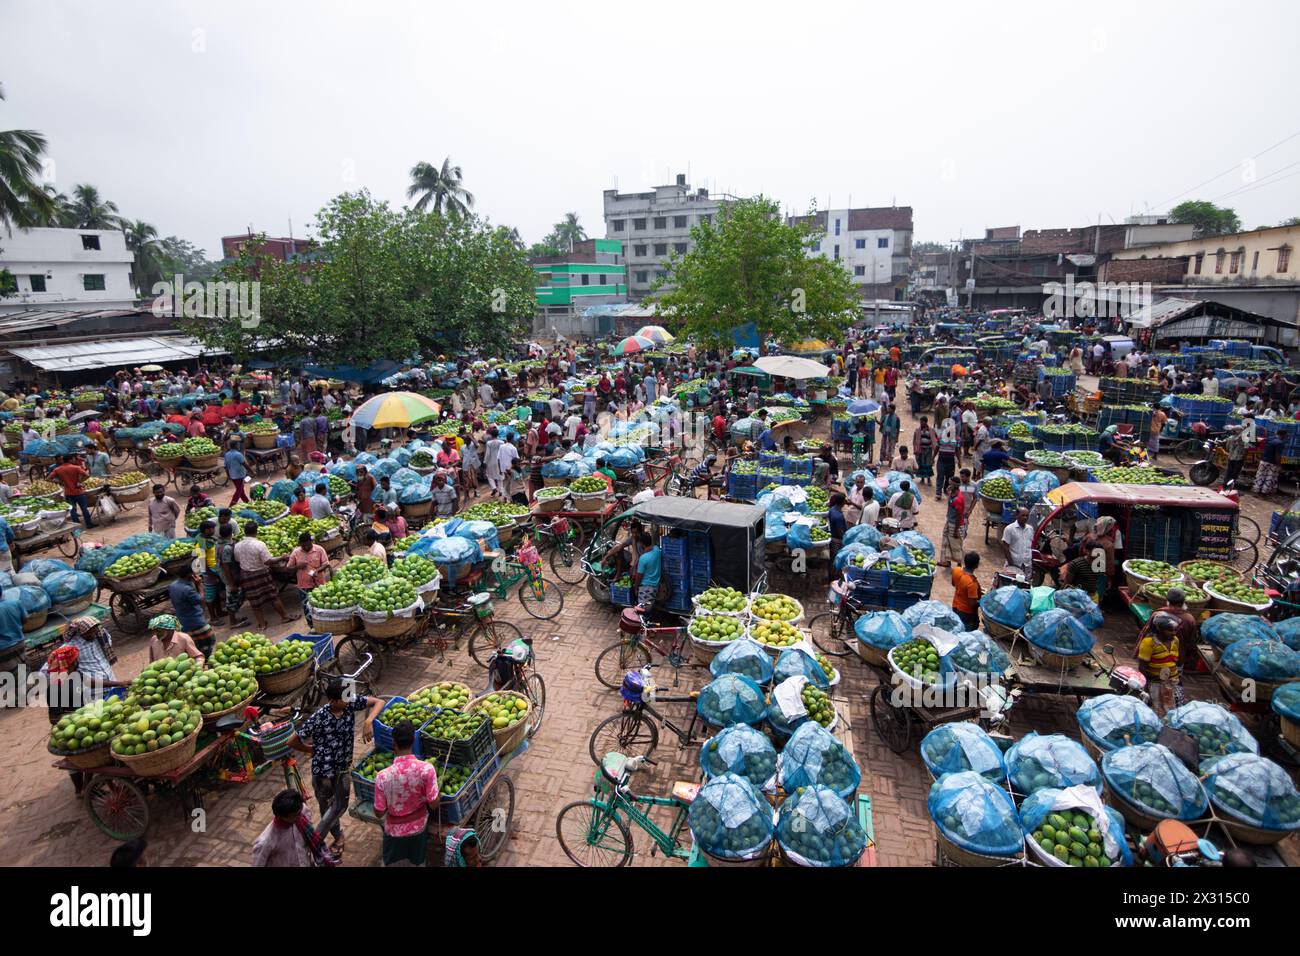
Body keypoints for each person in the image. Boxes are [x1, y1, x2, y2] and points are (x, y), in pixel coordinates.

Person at [290, 678, 386, 856]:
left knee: (339, 806)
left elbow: (379, 701)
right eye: (345, 699)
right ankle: (333, 837)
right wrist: (310, 749)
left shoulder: (349, 704)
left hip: (342, 768)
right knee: (327, 807)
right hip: (323, 774)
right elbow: (292, 740)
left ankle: (315, 839)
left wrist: (369, 721)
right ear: (333, 701)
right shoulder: (319, 717)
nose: (349, 700)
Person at [373, 719, 440, 866]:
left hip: (393, 833)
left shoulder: (382, 776)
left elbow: (379, 812)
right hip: (418, 829)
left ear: (393, 743)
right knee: (417, 863)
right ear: (414, 740)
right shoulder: (427, 769)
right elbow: (434, 804)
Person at [233, 522, 298, 628]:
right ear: (256, 531)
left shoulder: (237, 545)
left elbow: (237, 559)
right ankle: (284, 617)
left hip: (246, 575)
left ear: (245, 532)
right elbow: (268, 561)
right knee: (273, 596)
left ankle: (262, 624)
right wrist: (282, 557)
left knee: (254, 601)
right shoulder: (259, 544)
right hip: (261, 573)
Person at [252, 789, 333, 867]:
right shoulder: (265, 842)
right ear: (281, 816)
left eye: (300, 812)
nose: (300, 816)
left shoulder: (302, 810)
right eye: (295, 815)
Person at [1138, 612, 1184, 716]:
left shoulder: (1175, 641)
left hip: (1172, 683)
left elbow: (1175, 661)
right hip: (1155, 684)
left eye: (1175, 630)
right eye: (1170, 630)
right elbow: (1142, 667)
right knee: (1156, 712)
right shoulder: (1148, 643)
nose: (1174, 633)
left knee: (1172, 712)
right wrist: (1145, 689)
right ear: (1159, 629)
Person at [287, 532, 331, 627]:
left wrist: (317, 571)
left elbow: (326, 563)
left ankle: (325, 624)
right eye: (303, 546)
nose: (306, 547)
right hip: (304, 585)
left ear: (311, 542)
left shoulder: (319, 549)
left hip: (319, 584)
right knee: (307, 606)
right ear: (300, 544)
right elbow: (289, 568)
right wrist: (297, 566)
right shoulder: (296, 552)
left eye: (308, 544)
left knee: (323, 604)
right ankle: (311, 626)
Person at [168, 572, 215, 658]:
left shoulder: (172, 586)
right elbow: (202, 601)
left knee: (194, 651)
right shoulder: (187, 589)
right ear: (192, 575)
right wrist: (200, 585)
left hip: (183, 625)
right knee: (208, 645)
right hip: (197, 624)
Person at [49, 454, 96, 527]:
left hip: (68, 492)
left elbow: (48, 479)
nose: (75, 460)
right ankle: (89, 524)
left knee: (73, 510)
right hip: (78, 491)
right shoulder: (76, 467)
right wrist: (80, 482)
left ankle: (77, 526)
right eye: (73, 459)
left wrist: (60, 482)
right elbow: (87, 475)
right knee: (84, 509)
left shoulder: (58, 469)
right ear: (70, 460)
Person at [937, 478, 967, 569]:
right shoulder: (952, 494)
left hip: (955, 524)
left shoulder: (958, 499)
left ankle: (959, 564)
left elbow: (959, 516)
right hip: (950, 521)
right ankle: (946, 561)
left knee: (956, 545)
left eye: (950, 484)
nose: (948, 485)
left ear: (954, 486)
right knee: (946, 542)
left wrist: (956, 530)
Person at [951, 551, 983, 631]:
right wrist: (982, 601)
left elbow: (953, 583)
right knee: (965, 632)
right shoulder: (972, 583)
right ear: (976, 565)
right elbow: (972, 604)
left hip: (955, 606)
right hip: (966, 613)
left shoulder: (956, 570)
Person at [1001, 507, 1035, 580]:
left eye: (1027, 515)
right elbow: (1005, 547)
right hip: (1014, 565)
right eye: (1023, 515)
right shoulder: (1009, 529)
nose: (1025, 517)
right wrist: (1012, 565)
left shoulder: (1030, 529)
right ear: (1017, 515)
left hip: (1027, 565)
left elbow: (1030, 547)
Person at [634, 531, 662, 608]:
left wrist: (636, 588)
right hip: (656, 585)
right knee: (649, 606)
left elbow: (639, 576)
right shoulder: (657, 550)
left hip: (646, 588)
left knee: (643, 610)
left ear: (642, 544)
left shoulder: (643, 559)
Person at [934, 419, 959, 500]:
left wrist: (959, 461)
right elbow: (937, 447)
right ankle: (938, 493)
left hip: (951, 460)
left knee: (949, 477)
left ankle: (946, 490)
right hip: (941, 459)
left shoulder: (956, 438)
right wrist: (933, 457)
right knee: (940, 476)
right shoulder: (941, 436)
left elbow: (957, 450)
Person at [1254, 429, 1283, 495]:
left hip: (1263, 461)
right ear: (1283, 435)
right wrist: (1279, 465)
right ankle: (1264, 492)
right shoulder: (1280, 443)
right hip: (1272, 463)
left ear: (1276, 432)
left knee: (1260, 475)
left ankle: (1256, 490)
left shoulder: (1269, 439)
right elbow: (1277, 455)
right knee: (1269, 477)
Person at [826, 492, 848, 573]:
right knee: (835, 557)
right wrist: (844, 541)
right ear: (843, 502)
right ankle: (833, 574)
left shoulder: (832, 509)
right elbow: (840, 531)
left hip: (832, 535)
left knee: (832, 556)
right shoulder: (838, 516)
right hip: (836, 540)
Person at [225, 439, 250, 505]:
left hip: (232, 475)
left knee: (241, 490)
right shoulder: (238, 454)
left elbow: (226, 466)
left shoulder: (226, 454)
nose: (239, 446)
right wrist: (252, 472)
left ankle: (247, 502)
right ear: (236, 446)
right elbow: (245, 464)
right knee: (239, 491)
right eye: (238, 445)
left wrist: (228, 475)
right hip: (240, 475)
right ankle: (232, 504)